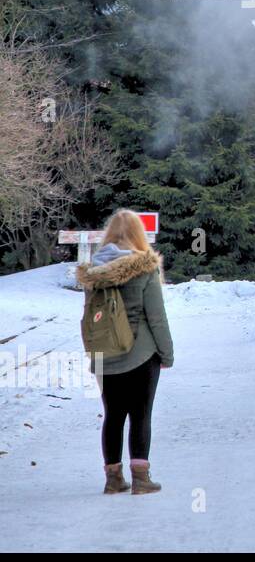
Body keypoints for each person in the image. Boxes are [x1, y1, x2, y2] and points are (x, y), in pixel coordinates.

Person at [76, 209, 174, 495]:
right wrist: (166, 354)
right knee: (141, 415)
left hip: (104, 355)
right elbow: (156, 316)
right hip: (141, 354)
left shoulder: (93, 272)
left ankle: (113, 478)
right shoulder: (144, 267)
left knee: (113, 415)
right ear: (138, 234)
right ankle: (141, 479)